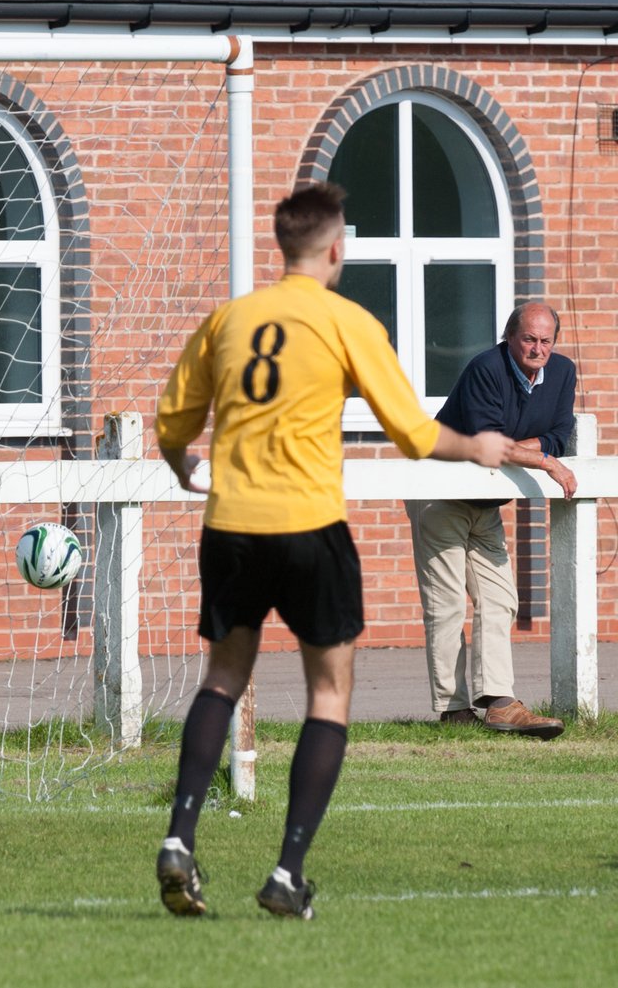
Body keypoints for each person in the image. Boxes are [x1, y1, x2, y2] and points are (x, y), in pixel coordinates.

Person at [153, 183, 515, 920]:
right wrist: (476, 445)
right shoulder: (347, 320)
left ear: (282, 245)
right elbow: (412, 432)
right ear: (335, 249)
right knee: (328, 693)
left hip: (232, 525)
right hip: (310, 525)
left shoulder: (230, 318)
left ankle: (178, 838)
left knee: (222, 678)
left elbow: (172, 422)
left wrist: (181, 465)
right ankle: (287, 873)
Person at [406, 302, 576, 738]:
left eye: (546, 341)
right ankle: (454, 709)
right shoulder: (486, 368)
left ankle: (498, 703)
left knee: (501, 599)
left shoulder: (562, 373)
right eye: (529, 339)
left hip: (485, 502)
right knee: (447, 604)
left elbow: (559, 435)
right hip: (440, 491)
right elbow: (488, 443)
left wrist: (518, 450)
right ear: (510, 337)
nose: (538, 349)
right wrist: (544, 461)